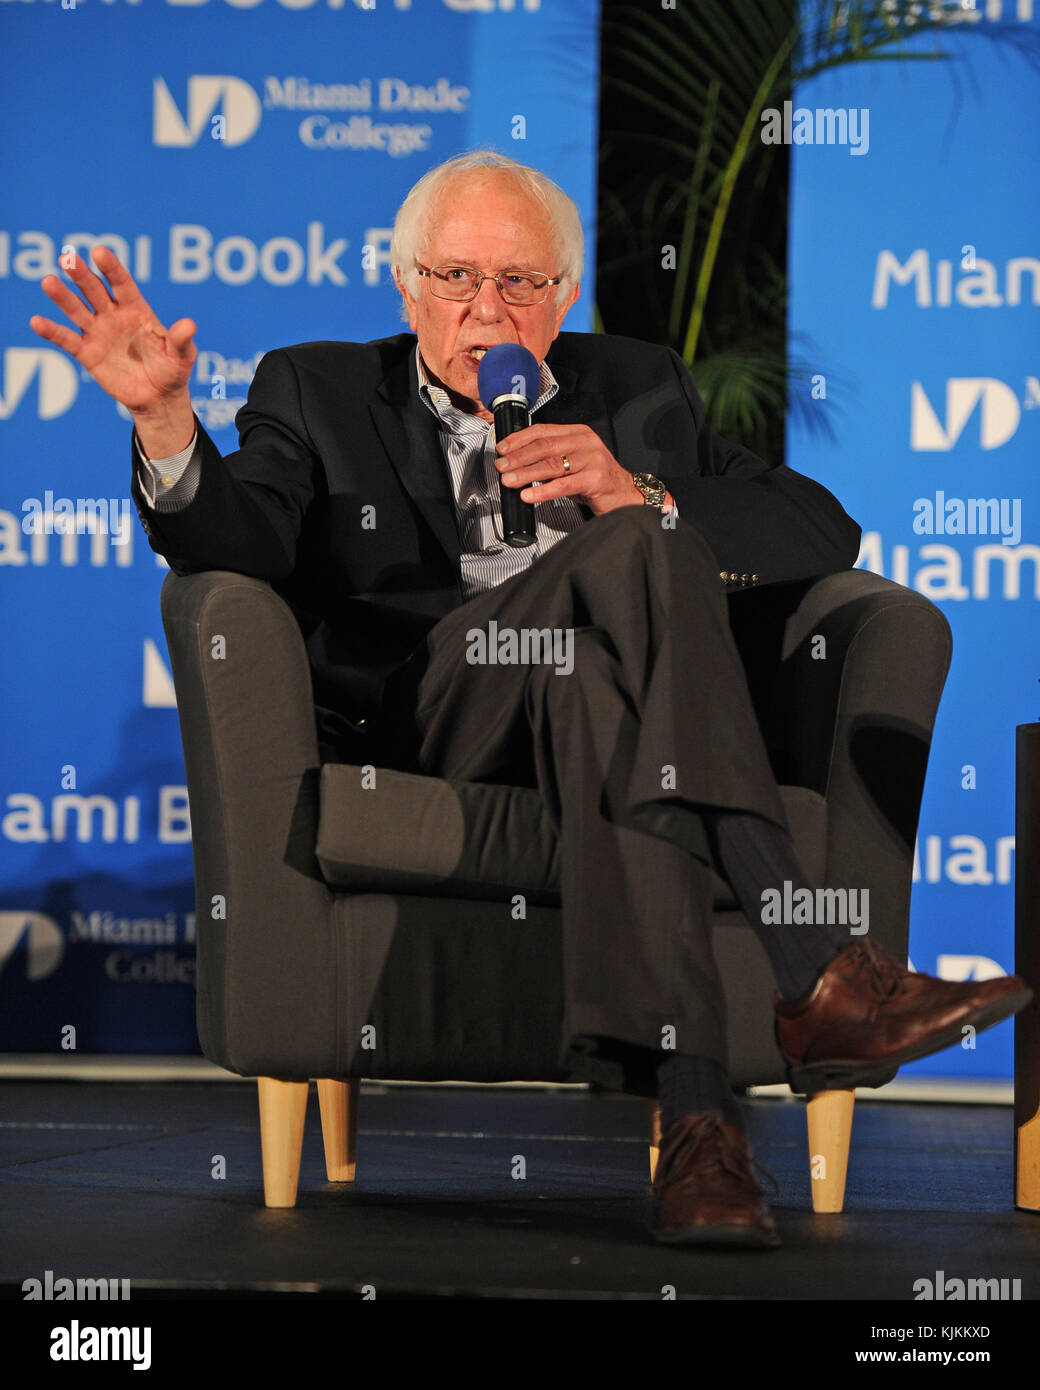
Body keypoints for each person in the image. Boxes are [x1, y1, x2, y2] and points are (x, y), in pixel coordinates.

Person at [30, 151, 1031, 1250]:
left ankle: (701, 1131)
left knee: (605, 653)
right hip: (438, 717)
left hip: (599, 718)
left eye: (517, 284)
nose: (483, 311)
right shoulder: (316, 388)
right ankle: (815, 968)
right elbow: (241, 543)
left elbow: (816, 529)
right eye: (455, 278)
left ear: (561, 299)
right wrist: (171, 427)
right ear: (406, 286)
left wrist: (630, 486)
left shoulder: (637, 388)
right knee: (643, 554)